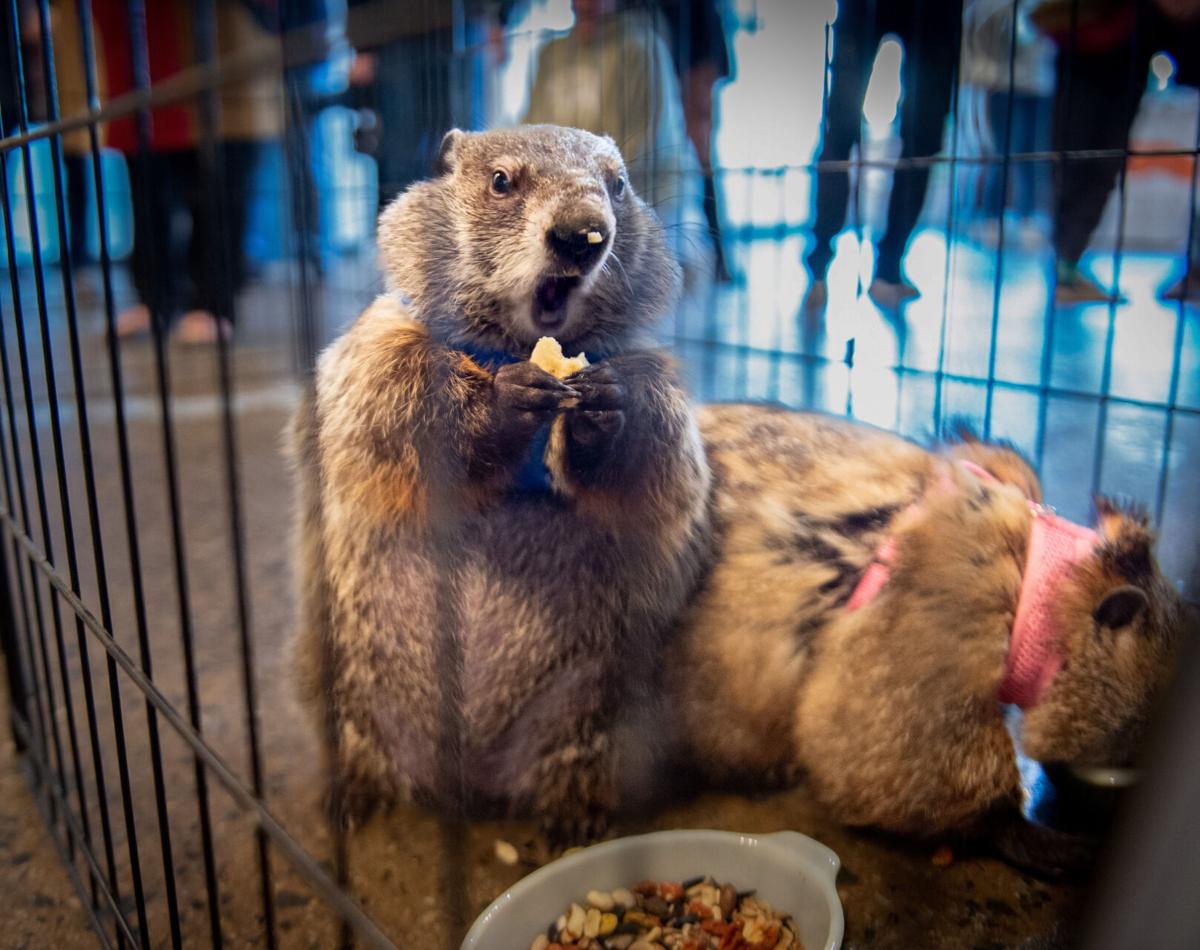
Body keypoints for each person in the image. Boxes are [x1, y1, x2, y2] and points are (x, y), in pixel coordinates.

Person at [91, 0, 282, 343]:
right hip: (144, 46)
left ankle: (214, 303)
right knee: (148, 186)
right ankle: (156, 298)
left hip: (221, 49)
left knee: (220, 183)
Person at [523, 0, 712, 291]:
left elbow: (634, 147)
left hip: (645, 198)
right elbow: (531, 131)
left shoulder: (640, 46)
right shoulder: (550, 54)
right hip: (571, 201)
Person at [1031, 0, 1200, 304]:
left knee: (1088, 165)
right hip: (1100, 47)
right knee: (1085, 164)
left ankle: (1066, 267)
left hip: (1119, 50)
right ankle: (1066, 268)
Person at [804, 0, 964, 310]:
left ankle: (881, 267)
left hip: (934, 13)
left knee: (921, 137)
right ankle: (822, 264)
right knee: (842, 128)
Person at [960, 0, 1055, 251]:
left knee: (1033, 154)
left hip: (1040, 85)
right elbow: (977, 33)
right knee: (999, 153)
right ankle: (990, 217)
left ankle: (1028, 217)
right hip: (1002, 85)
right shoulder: (995, 7)